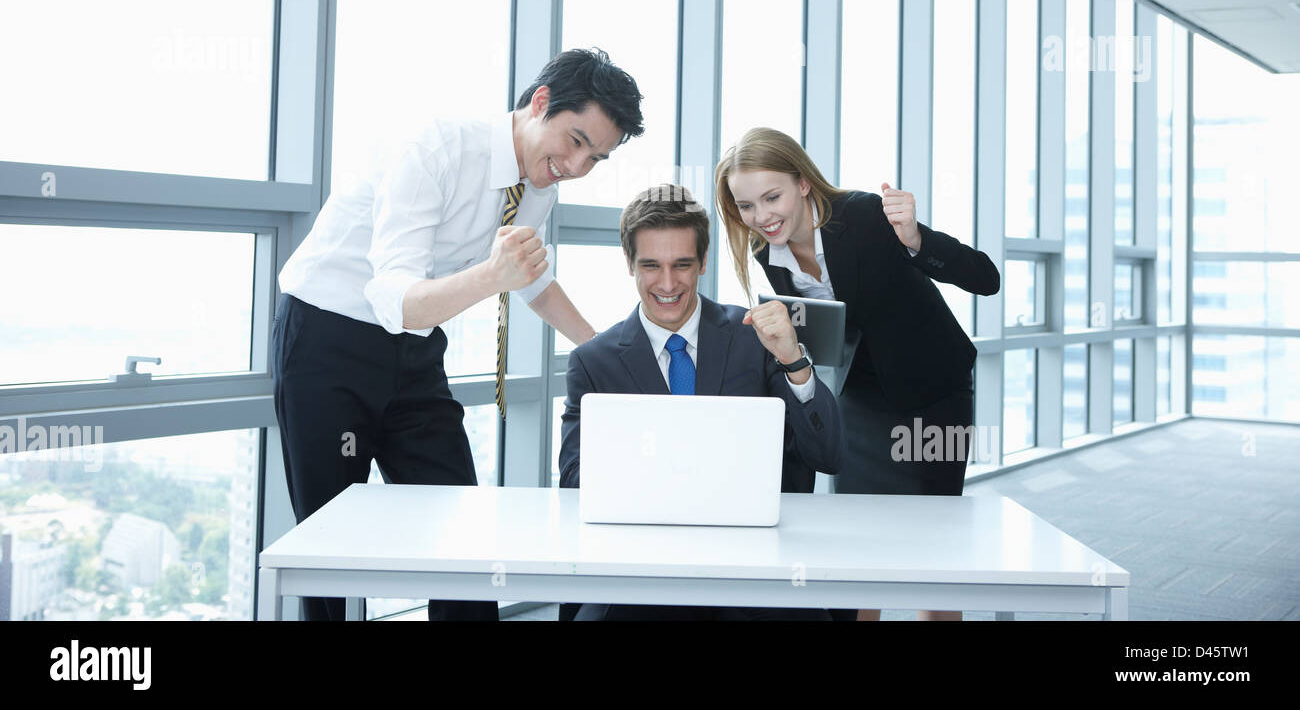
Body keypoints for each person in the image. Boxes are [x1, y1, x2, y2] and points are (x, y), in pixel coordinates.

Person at [273, 48, 644, 621]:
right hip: (329, 340)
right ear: (540, 103)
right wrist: (492, 275)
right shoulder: (437, 149)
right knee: (331, 545)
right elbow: (395, 299)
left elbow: (531, 281)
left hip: (415, 351)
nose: (575, 165)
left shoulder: (538, 184)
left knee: (460, 535)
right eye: (574, 141)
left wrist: (611, 352)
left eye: (595, 157)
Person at [714, 127, 999, 621]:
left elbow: (985, 278)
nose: (762, 217)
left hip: (932, 389)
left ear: (803, 183)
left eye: (772, 196)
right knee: (857, 543)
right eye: (746, 206)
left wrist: (916, 239)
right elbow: (830, 328)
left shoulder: (865, 215)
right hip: (859, 397)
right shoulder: (767, 252)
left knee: (934, 541)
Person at [557, 184, 842, 620]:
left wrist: (793, 359)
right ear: (630, 263)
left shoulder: (757, 339)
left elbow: (828, 454)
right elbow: (576, 483)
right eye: (651, 265)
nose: (667, 284)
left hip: (755, 561)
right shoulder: (592, 363)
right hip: (638, 567)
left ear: (704, 263)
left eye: (682, 265)